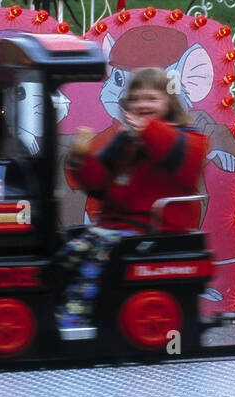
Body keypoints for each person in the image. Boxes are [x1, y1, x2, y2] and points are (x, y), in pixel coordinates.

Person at [56, 67, 207, 336]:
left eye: (151, 98)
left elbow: (184, 164)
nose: (141, 105)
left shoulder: (190, 137)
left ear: (169, 102)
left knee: (102, 251)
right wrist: (82, 162)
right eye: (135, 99)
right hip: (117, 225)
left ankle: (78, 317)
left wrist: (148, 130)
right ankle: (58, 302)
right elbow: (99, 182)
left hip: (156, 228)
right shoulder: (124, 141)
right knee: (70, 246)